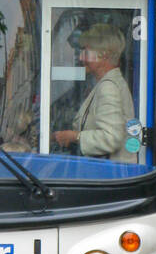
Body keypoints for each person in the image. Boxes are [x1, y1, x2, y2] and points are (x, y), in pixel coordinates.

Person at [52, 23, 136, 162]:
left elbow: (111, 138)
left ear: (104, 55)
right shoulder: (109, 83)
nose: (80, 58)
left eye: (86, 51)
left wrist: (75, 136)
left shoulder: (108, 88)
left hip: (107, 176)